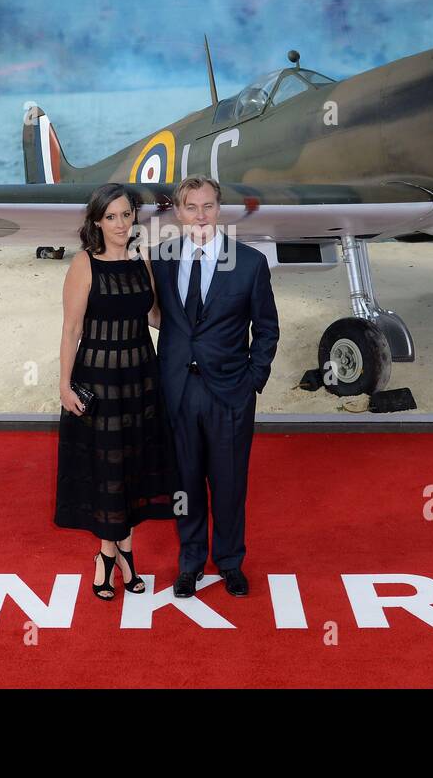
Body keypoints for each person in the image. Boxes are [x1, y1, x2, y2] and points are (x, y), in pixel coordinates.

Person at [151, 176, 279, 599]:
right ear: (178, 212)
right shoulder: (160, 258)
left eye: (208, 206)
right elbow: (158, 318)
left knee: (229, 484)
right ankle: (190, 564)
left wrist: (252, 382)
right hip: (178, 393)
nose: (200, 216)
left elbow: (266, 330)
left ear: (219, 210)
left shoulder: (248, 263)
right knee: (185, 485)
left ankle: (229, 562)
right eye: (191, 207)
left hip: (230, 394)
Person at [54, 183, 180, 601]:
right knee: (108, 467)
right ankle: (111, 553)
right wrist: (63, 385)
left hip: (142, 378)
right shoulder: (84, 264)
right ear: (96, 222)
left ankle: (119, 551)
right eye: (111, 217)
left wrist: (208, 324)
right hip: (99, 382)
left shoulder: (142, 258)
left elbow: (157, 317)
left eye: (126, 214)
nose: (120, 223)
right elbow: (72, 330)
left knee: (133, 462)